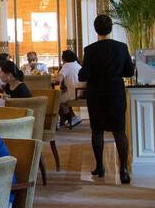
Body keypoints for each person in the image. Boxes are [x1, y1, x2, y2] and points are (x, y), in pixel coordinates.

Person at [79, 14, 135, 183]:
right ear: (110, 28)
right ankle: (124, 169)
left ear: (96, 29)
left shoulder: (90, 50)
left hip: (96, 94)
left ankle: (100, 167)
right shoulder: (122, 47)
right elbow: (129, 72)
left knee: (97, 130)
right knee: (119, 131)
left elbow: (83, 75)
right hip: (116, 93)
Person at [57, 48, 83, 127]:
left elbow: (58, 79)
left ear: (64, 58)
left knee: (56, 100)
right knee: (62, 98)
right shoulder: (77, 64)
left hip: (73, 93)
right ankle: (67, 119)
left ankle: (72, 117)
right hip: (80, 91)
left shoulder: (67, 65)